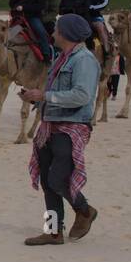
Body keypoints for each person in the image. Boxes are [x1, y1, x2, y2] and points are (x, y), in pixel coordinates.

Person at [20, 14, 100, 246]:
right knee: (47, 180)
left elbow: (82, 95)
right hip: (50, 124)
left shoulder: (83, 60)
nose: (53, 34)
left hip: (71, 126)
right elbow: (57, 94)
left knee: (57, 178)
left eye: (56, 30)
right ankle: (54, 232)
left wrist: (44, 95)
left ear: (66, 33)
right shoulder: (62, 58)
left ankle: (85, 211)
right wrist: (35, 99)